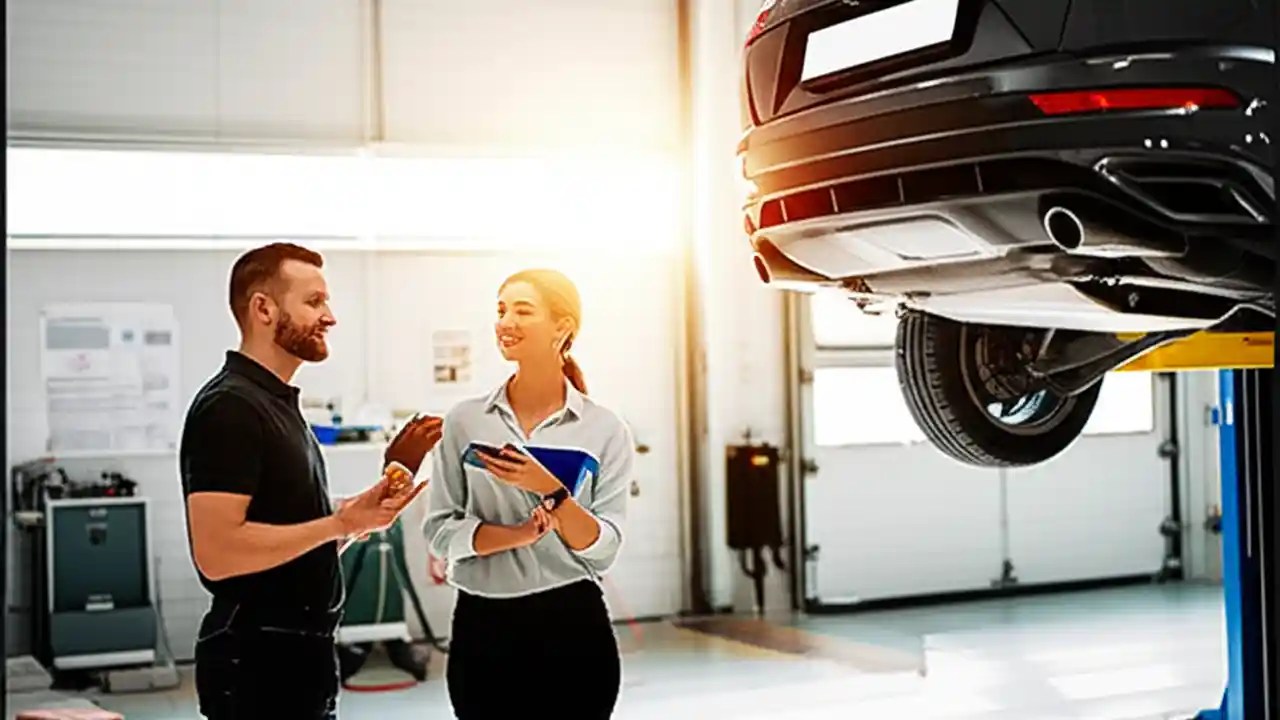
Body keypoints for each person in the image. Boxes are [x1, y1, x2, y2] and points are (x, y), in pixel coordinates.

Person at [179, 242, 442, 720]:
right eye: (314, 301)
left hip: (298, 658)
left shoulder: (274, 403)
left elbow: (284, 534)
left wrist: (359, 516)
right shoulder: (231, 407)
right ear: (263, 308)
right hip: (257, 663)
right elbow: (217, 553)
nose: (330, 316)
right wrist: (338, 523)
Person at [423, 268, 635, 719]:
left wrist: (551, 491)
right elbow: (440, 531)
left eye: (523, 310)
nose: (505, 322)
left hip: (572, 624)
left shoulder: (604, 429)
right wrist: (514, 535)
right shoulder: (464, 421)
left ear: (563, 328)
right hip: (483, 626)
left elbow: (604, 549)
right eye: (501, 310)